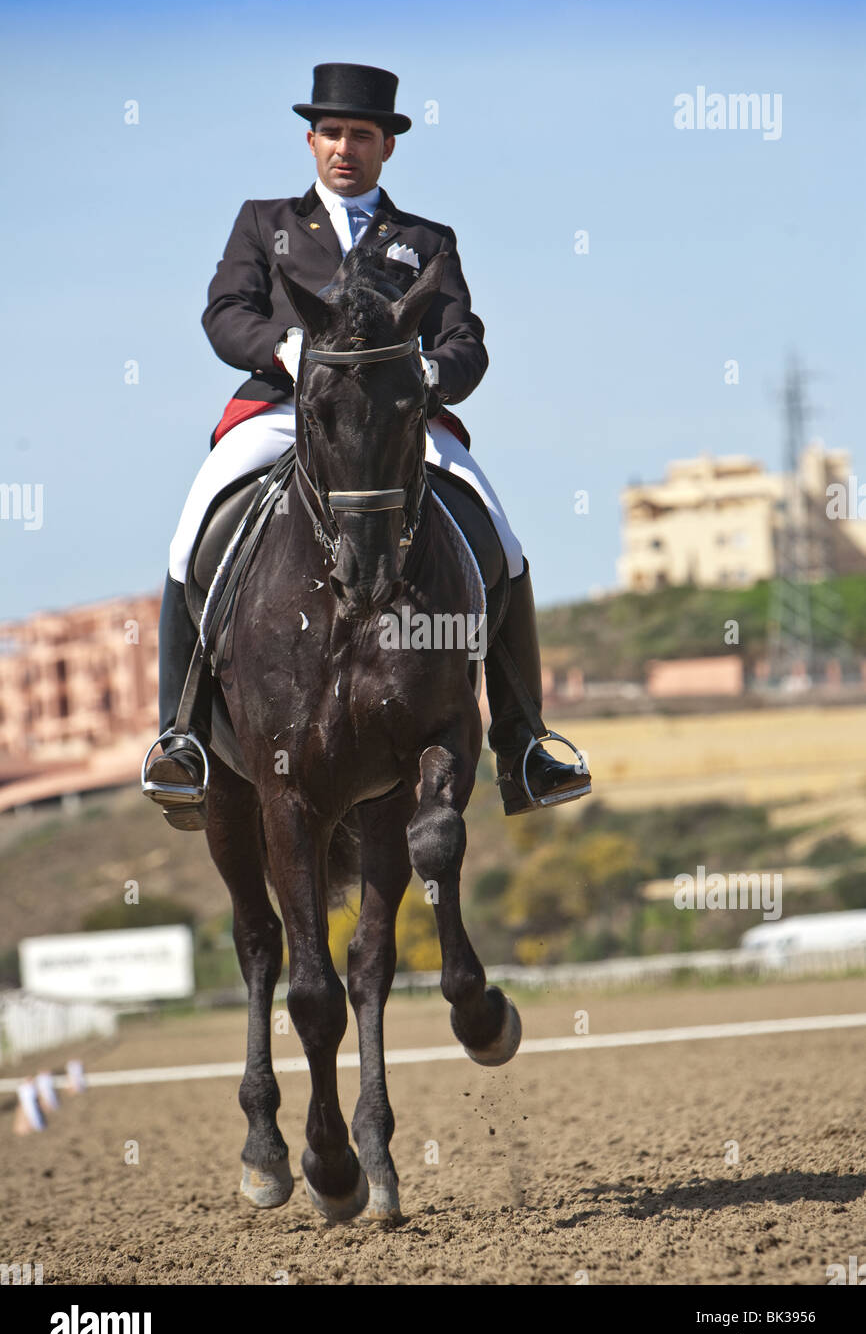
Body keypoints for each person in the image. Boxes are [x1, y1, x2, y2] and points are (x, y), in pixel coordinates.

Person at [143, 63, 590, 821]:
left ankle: (523, 742)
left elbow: (465, 340)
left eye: (362, 135)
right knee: (192, 534)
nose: (345, 148)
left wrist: (427, 373)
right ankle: (181, 735)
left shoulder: (425, 240)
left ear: (387, 147)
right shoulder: (264, 221)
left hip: (395, 421)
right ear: (311, 140)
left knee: (504, 539)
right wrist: (282, 348)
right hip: (286, 408)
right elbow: (224, 311)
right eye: (333, 134)